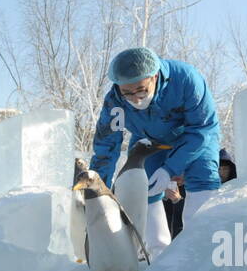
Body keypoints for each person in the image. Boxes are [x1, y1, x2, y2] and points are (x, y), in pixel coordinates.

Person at [90, 46, 221, 258]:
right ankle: (157, 253)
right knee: (144, 184)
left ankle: (202, 252)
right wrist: (97, 192)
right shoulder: (115, 102)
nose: (135, 99)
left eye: (141, 89)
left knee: (203, 176)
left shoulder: (186, 79)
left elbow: (201, 128)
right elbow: (106, 147)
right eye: (127, 93)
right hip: (150, 141)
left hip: (194, 137)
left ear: (155, 76)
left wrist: (171, 169)